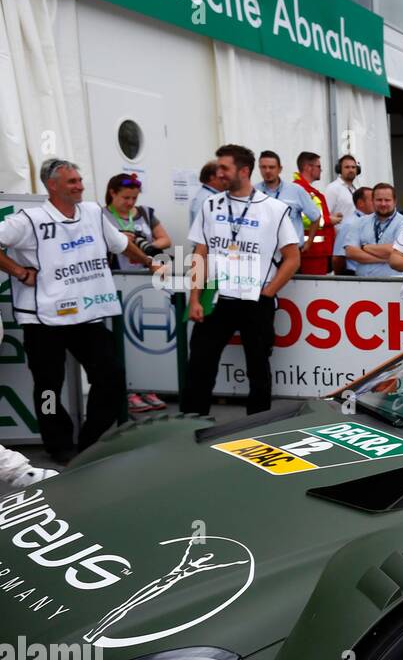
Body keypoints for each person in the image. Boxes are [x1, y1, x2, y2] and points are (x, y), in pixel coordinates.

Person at [0, 158, 155, 462]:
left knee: (111, 377)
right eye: (72, 182)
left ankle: (90, 441)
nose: (80, 186)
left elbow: (120, 245)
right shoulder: (30, 219)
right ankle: (57, 445)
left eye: (80, 180)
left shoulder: (94, 213)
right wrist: (19, 271)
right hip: (43, 318)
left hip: (86, 314)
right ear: (52, 185)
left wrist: (151, 263)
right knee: (48, 389)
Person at [181, 144, 300, 417]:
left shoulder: (275, 209)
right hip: (216, 296)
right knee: (199, 365)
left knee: (258, 369)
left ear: (243, 171)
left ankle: (258, 427)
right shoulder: (210, 205)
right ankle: (190, 423)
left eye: (225, 167)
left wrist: (268, 293)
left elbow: (292, 258)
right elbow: (201, 253)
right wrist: (195, 298)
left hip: (255, 299)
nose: (218, 172)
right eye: (218, 167)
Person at [102, 173, 172, 413]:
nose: (130, 203)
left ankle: (148, 386)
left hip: (145, 280)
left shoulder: (145, 213)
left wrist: (146, 245)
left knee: (147, 336)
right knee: (122, 338)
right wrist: (120, 240)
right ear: (112, 193)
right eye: (126, 198)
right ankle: (129, 390)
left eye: (134, 197)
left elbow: (165, 239)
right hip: (117, 281)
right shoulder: (102, 216)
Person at [255, 151, 319, 252]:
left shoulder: (296, 190)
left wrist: (309, 242)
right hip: (263, 251)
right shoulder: (253, 192)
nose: (267, 171)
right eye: (263, 167)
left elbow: (315, 217)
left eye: (271, 167)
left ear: (280, 169)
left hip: (290, 252)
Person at [347, 183, 403, 277]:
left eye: (387, 200)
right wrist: (386, 259)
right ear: (372, 201)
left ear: (395, 201)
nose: (383, 204)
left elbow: (397, 250)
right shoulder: (359, 222)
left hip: (394, 284)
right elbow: (351, 252)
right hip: (363, 284)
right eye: (379, 200)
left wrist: (364, 247)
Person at [293, 151, 336, 276]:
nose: (321, 170)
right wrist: (329, 220)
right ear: (308, 167)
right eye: (318, 166)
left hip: (317, 252)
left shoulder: (307, 190)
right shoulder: (301, 190)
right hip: (310, 252)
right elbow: (305, 217)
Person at [333, 186, 373, 275]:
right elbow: (338, 258)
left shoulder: (372, 222)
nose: (377, 203)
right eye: (372, 200)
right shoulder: (349, 224)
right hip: (353, 275)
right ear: (360, 203)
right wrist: (342, 280)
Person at [324, 154, 361, 223]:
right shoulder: (333, 188)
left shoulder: (357, 189)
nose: (351, 170)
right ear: (339, 169)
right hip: (340, 233)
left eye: (353, 167)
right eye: (347, 167)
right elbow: (325, 215)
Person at [189, 160, 222, 226]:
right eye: (221, 176)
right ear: (212, 177)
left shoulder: (207, 195)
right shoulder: (205, 199)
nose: (224, 179)